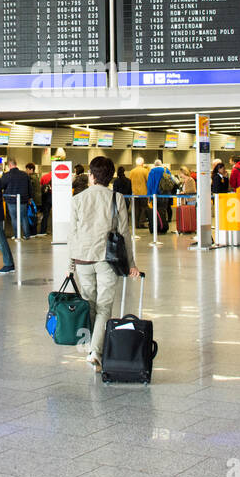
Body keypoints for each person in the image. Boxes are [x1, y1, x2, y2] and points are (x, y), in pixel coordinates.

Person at [68, 157, 139, 371]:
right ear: (110, 177)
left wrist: (71, 264)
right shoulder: (116, 198)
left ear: (91, 175)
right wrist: (131, 263)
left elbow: (72, 234)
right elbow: (125, 233)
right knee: (104, 305)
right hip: (108, 258)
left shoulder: (77, 199)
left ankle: (92, 347)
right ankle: (95, 352)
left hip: (82, 258)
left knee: (89, 302)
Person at [1, 157, 32, 239]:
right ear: (16, 164)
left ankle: (17, 235)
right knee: (24, 217)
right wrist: (30, 198)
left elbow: (1, 186)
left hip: (11, 201)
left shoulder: (6, 175)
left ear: (9, 165)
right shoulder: (25, 174)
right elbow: (30, 188)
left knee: (14, 218)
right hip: (23, 200)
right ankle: (26, 235)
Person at [128, 160, 149, 226]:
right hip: (143, 193)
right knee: (144, 208)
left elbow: (129, 181)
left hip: (134, 193)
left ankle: (136, 223)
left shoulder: (132, 171)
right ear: (142, 163)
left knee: (136, 208)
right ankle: (141, 222)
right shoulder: (145, 171)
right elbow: (148, 181)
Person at [25, 164, 41, 237]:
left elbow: (30, 189)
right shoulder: (36, 177)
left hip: (33, 200)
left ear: (31, 169)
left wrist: (29, 199)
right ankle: (34, 232)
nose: (26, 171)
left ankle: (32, 232)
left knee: (31, 216)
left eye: (27, 169)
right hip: (37, 200)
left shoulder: (31, 178)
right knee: (34, 216)